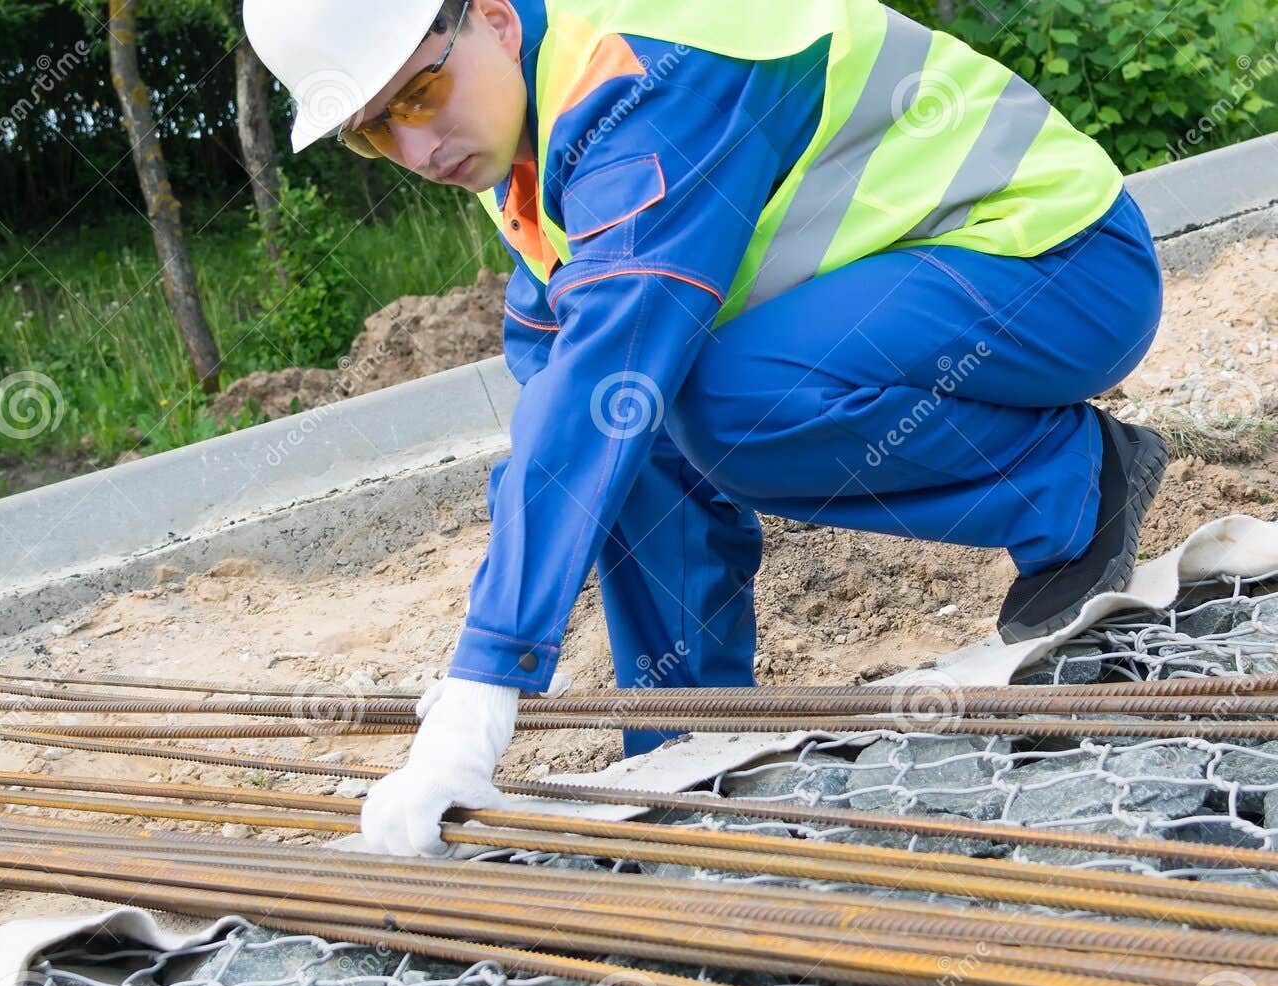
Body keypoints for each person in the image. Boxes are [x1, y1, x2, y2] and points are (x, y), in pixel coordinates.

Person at [242, 0, 1167, 857]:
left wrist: (488, 678)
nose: (414, 142)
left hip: (1062, 266)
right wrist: (517, 622)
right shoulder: (523, 117)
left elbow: (612, 370)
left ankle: (1074, 483)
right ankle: (688, 731)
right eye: (373, 131)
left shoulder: (650, 73)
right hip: (947, 284)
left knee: (711, 398)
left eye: (421, 90)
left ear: (489, 18)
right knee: (631, 413)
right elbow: (561, 382)